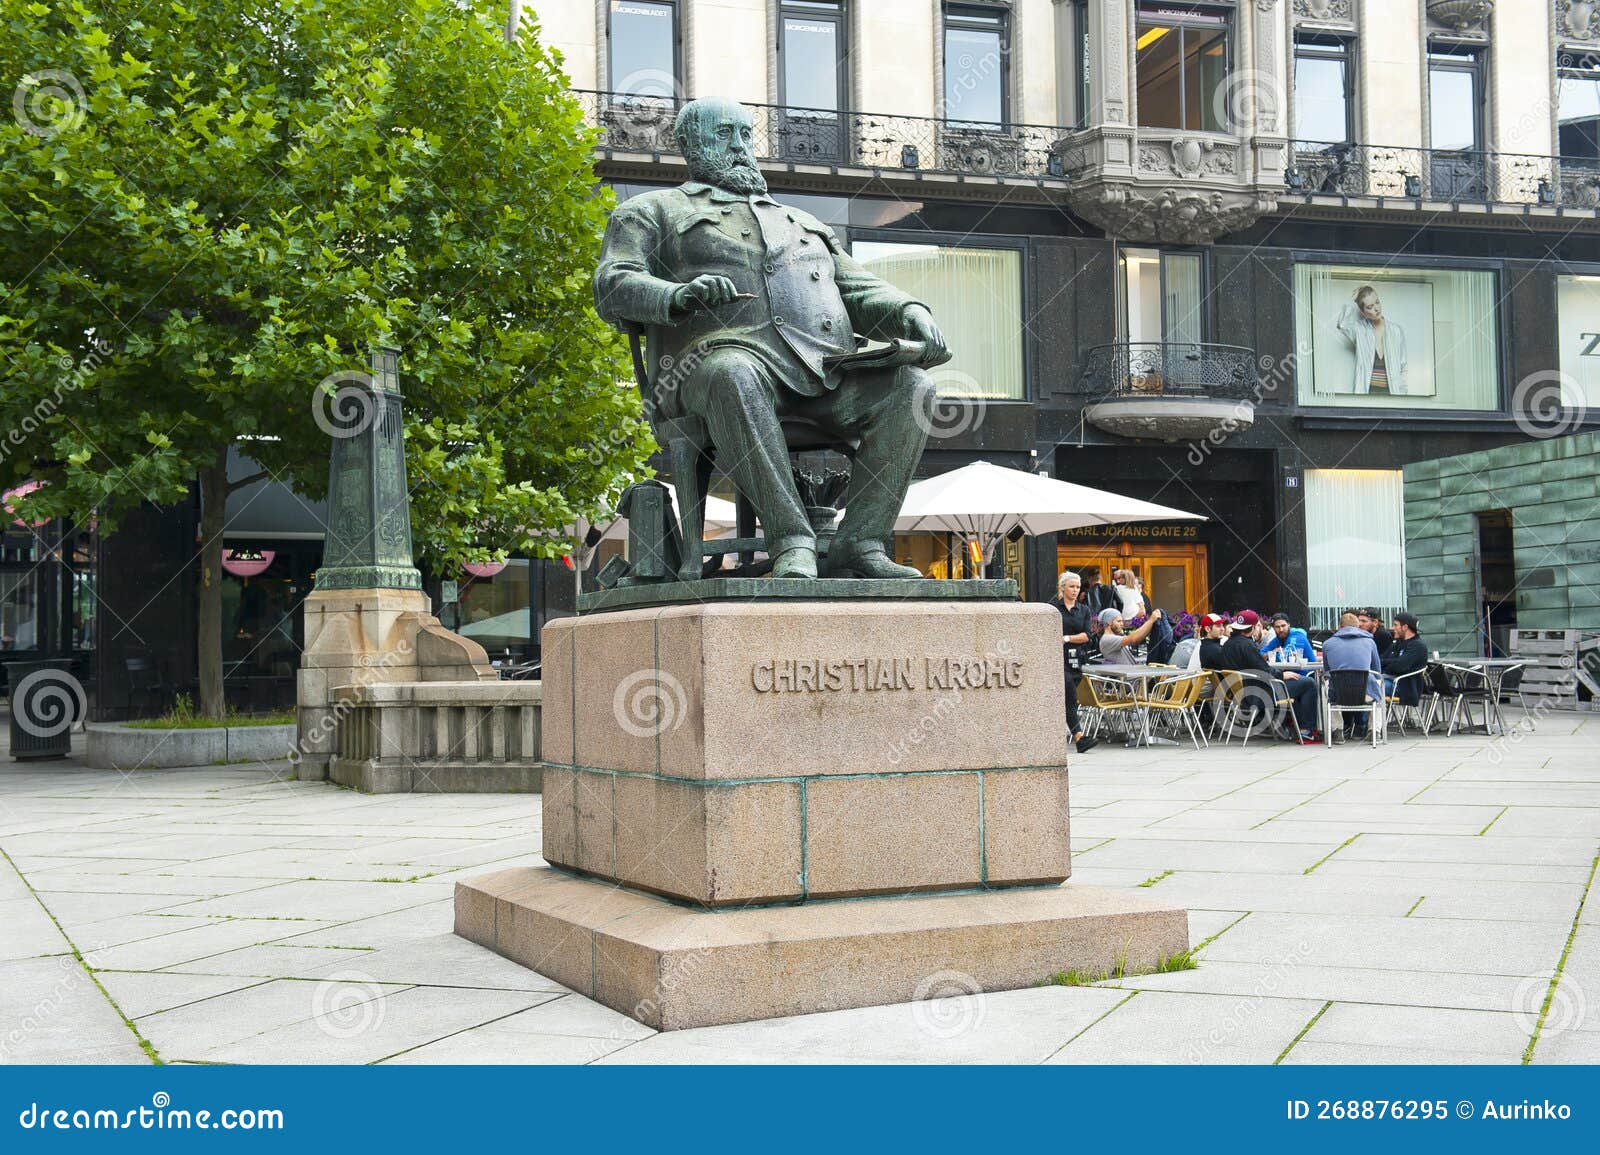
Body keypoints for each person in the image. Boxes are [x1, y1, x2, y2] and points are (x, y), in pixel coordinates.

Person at [595, 98, 948, 580]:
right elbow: (613, 283)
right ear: (692, 144)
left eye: (745, 135)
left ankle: (859, 542)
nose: (741, 146)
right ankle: (793, 539)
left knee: (912, 387)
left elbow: (859, 290)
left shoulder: (801, 222)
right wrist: (677, 295)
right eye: (725, 135)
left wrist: (912, 313)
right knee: (732, 372)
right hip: (707, 373)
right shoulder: (653, 210)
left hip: (822, 376)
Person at [1220, 610, 1320, 742]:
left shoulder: (1227, 645)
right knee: (1308, 683)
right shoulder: (1247, 645)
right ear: (1254, 627)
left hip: (1242, 694)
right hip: (1260, 694)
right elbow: (1264, 670)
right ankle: (1307, 730)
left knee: (1299, 683)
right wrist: (1282, 675)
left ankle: (1290, 724)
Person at [1051, 570, 1100, 755]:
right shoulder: (1053, 608)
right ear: (1062, 588)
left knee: (1068, 699)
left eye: (1077, 587)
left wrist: (1065, 638)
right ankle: (1079, 737)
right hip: (1057, 659)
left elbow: (1086, 635)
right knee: (1070, 695)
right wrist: (1070, 638)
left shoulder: (1084, 610)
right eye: (1071, 586)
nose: (1075, 590)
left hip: (1076, 658)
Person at [1335, 284, 1409, 395]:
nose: (1376, 309)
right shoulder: (1359, 331)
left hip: (1393, 396)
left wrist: (1403, 396)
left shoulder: (1396, 331)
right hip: (1366, 396)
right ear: (1363, 312)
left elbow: (1403, 367)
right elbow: (1342, 324)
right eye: (1370, 307)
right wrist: (1352, 300)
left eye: (1377, 302)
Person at [1322, 610, 1382, 736]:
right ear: (1358, 627)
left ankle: (1337, 730)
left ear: (1339, 627)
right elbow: (1377, 670)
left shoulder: (1327, 644)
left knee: (1327, 683)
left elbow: (1327, 671)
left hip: (1338, 695)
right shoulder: (1370, 642)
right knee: (1378, 683)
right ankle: (1375, 730)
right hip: (1366, 694)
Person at [1381, 611, 1430, 703]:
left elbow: (1399, 666)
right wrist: (1393, 662)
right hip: (1389, 680)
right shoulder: (1398, 642)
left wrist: (1389, 663)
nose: (1392, 628)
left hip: (1405, 688)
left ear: (1405, 627)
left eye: (1395, 625)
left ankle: (1374, 717)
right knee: (1363, 686)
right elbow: (1381, 660)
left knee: (1370, 688)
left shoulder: (1417, 645)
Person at [1098, 606, 1162, 666]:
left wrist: (1151, 624)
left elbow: (1138, 638)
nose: (1122, 624)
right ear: (1109, 622)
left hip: (1132, 676)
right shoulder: (1107, 639)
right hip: (1129, 677)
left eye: (1122, 621)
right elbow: (1133, 639)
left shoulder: (1113, 637)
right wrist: (1151, 620)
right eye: (1119, 621)